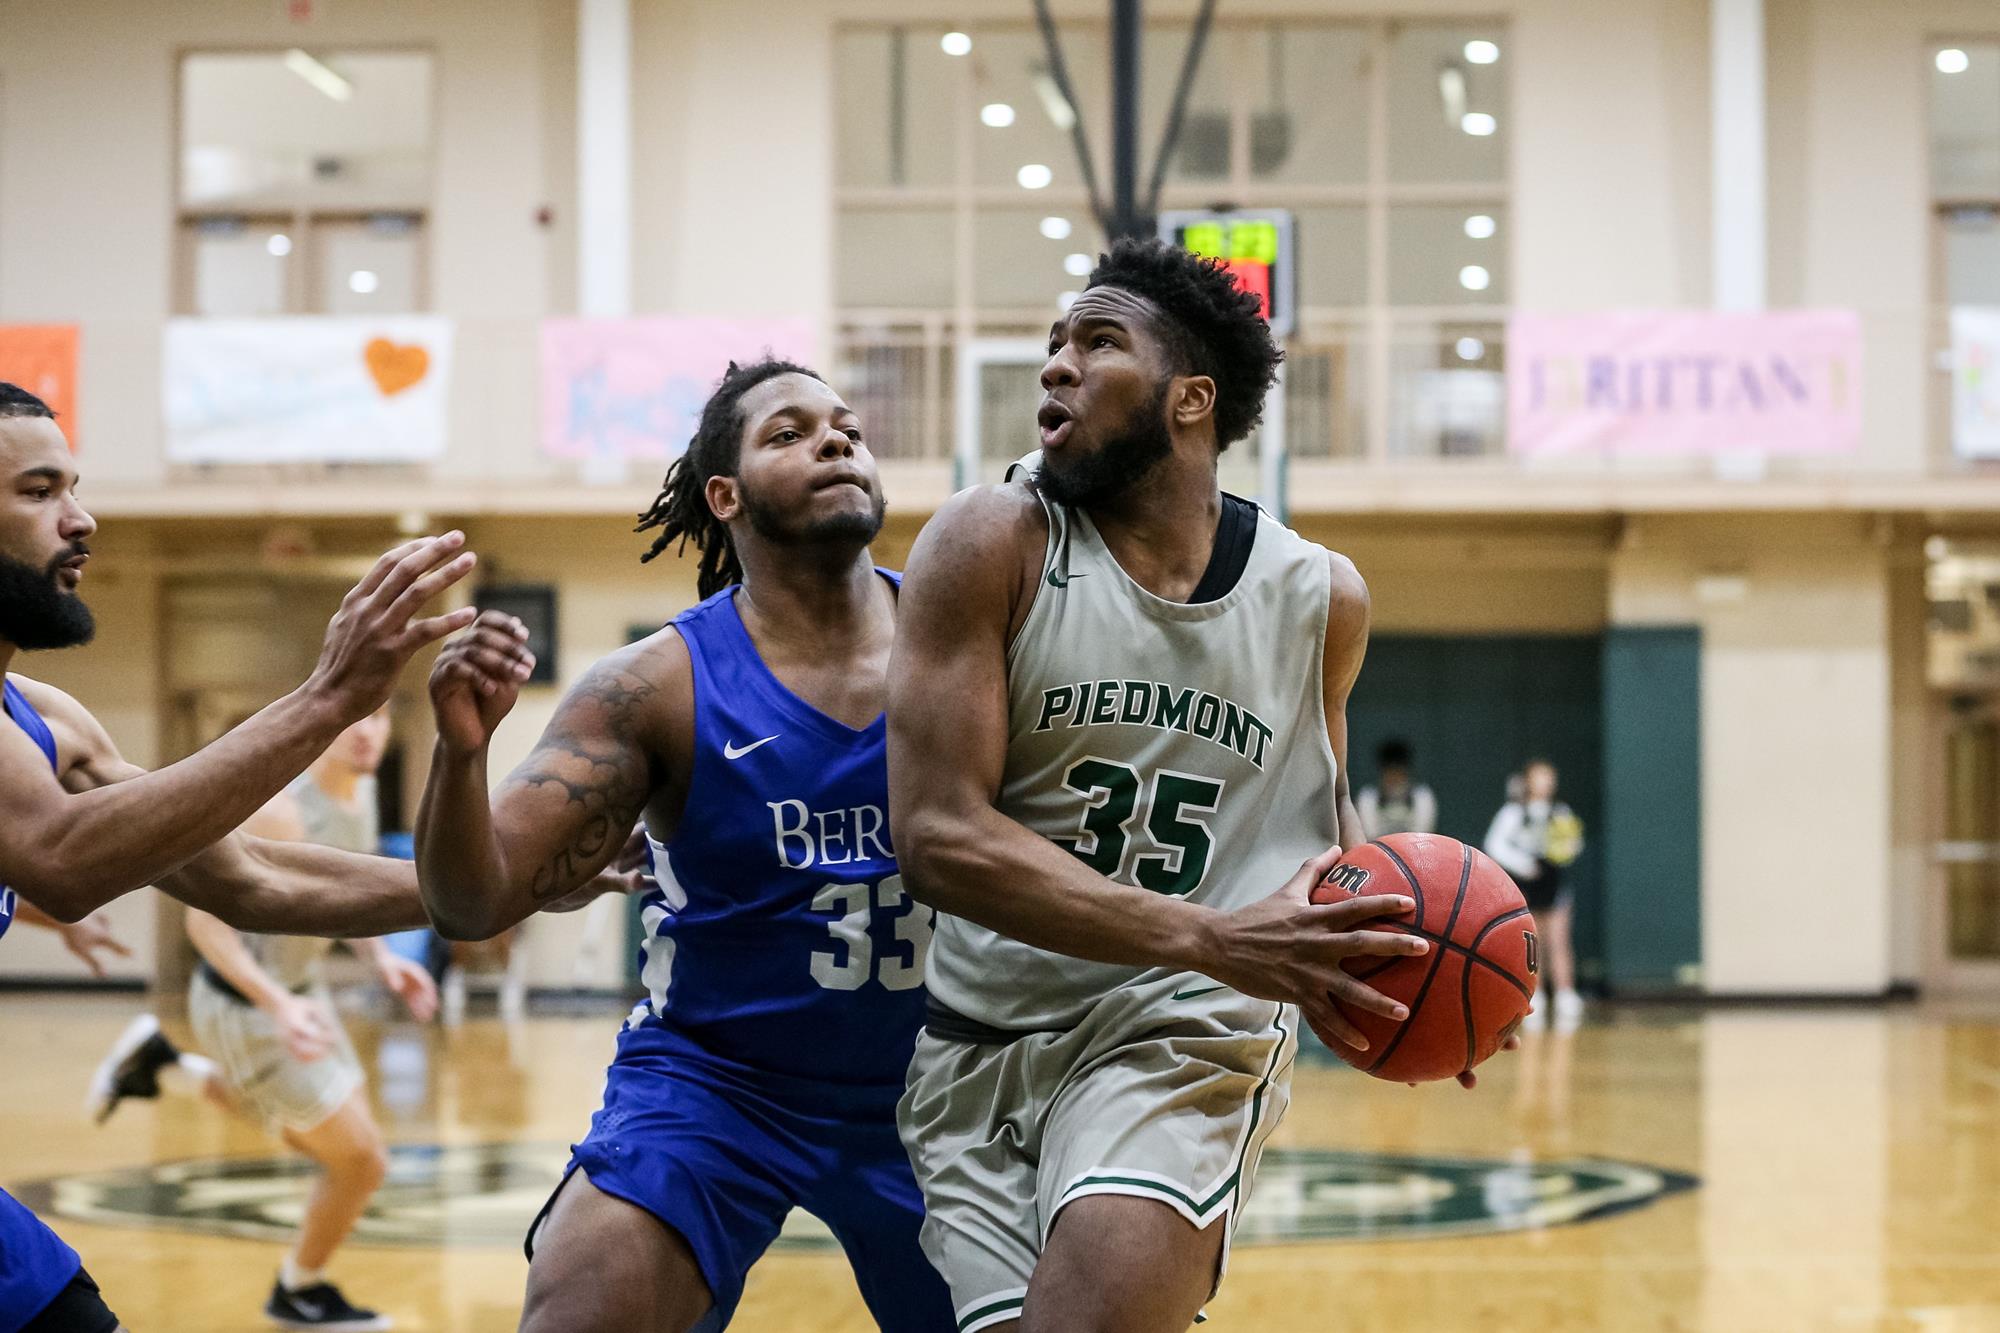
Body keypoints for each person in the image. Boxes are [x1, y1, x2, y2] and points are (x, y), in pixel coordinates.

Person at [886, 238, 1462, 1333]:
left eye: (1097, 341)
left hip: (1184, 1026)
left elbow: (1325, 815)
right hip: (977, 1045)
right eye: (1055, 341)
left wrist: (1421, 979)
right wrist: (1207, 931)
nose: (1055, 363)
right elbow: (937, 838)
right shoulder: (987, 541)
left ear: (1190, 398)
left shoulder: (1316, 595)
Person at [414, 359, 955, 1333]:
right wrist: (459, 756)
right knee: (582, 1302)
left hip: (946, 1082)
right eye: (787, 433)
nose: (835, 439)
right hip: (717, 1083)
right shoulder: (651, 686)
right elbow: (472, 902)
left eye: (845, 427)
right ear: (725, 493)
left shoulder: (972, 640)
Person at [0, 381, 479, 1333]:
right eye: (39, 490)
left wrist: (500, 885)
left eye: (74, 486)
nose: (81, 517)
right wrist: (327, 697)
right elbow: (58, 856)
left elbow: (251, 877)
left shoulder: (49, 720)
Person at [91, 707, 439, 1331]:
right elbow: (203, 921)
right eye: (353, 718)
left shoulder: (357, 798)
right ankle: (297, 1291)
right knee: (360, 1159)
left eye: (382, 719)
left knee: (318, 1131)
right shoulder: (281, 811)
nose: (366, 732)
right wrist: (279, 1005)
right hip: (248, 1002)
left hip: (302, 995)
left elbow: (341, 899)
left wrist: (382, 958)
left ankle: (162, 1064)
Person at [1483, 758, 1585, 1032]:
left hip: (1553, 882)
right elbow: (1495, 844)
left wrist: (1563, 850)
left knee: (1559, 939)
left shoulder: (1560, 812)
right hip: (1528, 885)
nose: (1545, 783)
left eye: (1549, 777)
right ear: (1528, 780)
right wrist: (1524, 865)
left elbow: (1573, 842)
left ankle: (1565, 993)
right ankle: (1534, 994)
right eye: (1539, 777)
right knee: (1533, 942)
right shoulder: (1513, 813)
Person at [1355, 738, 1437, 839]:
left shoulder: (1422, 796)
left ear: (1406, 773)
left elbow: (1422, 835)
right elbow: (1369, 835)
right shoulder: (1368, 797)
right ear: (1382, 774)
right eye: (1390, 773)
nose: (1394, 779)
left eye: (1398, 773)